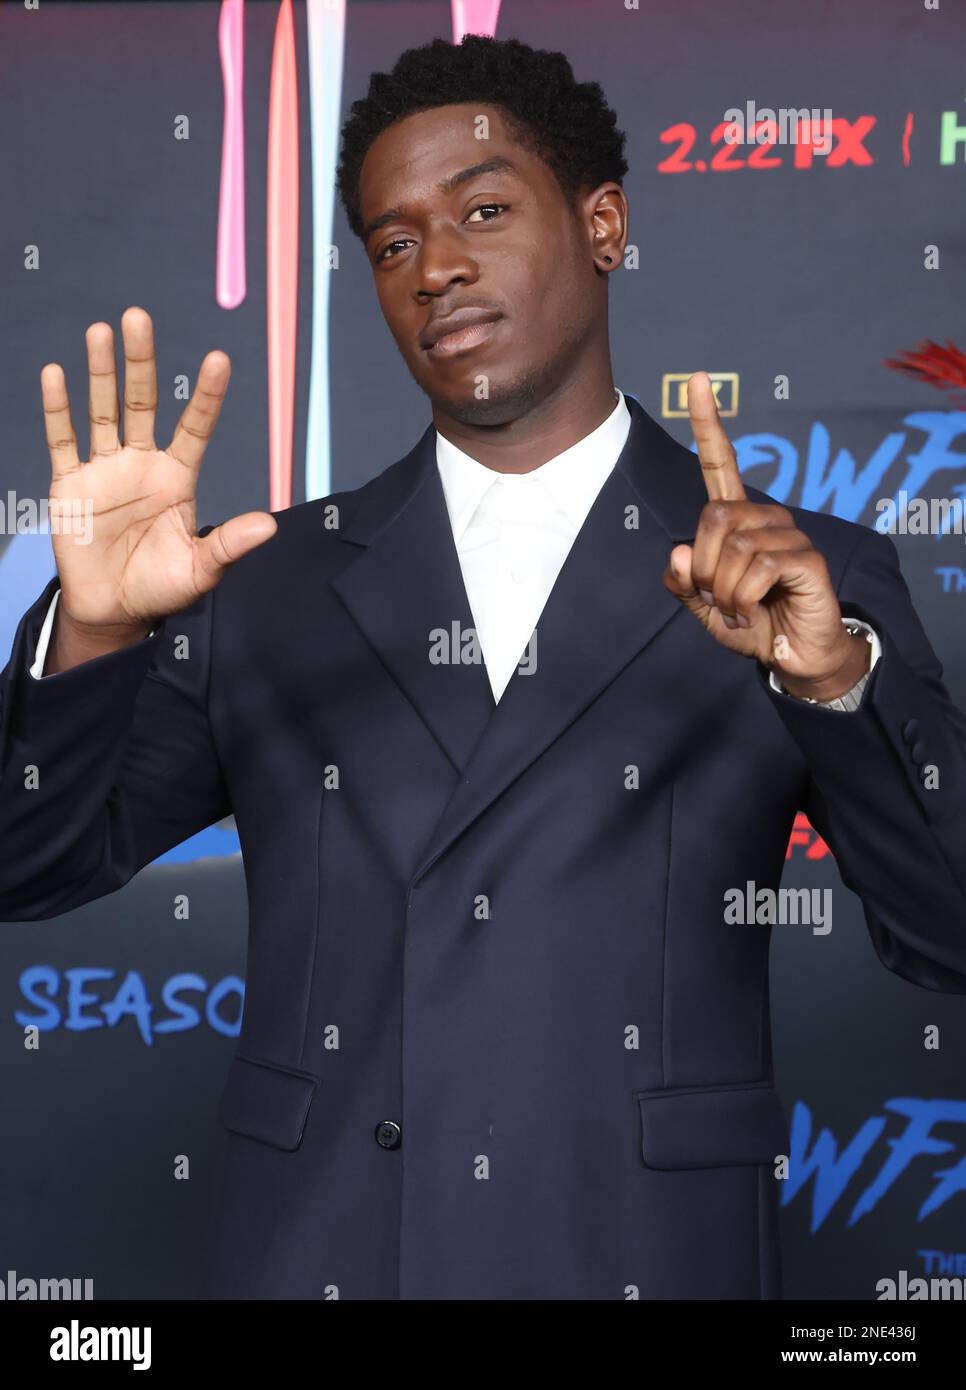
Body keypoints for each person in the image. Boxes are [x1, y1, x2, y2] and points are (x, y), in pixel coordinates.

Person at [2, 35, 965, 1301]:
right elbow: (30, 865)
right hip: (323, 1252)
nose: (437, 267)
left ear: (605, 220)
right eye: (393, 244)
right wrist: (93, 634)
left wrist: (830, 681)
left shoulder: (799, 575)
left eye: (485, 209)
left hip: (636, 1256)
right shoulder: (267, 580)